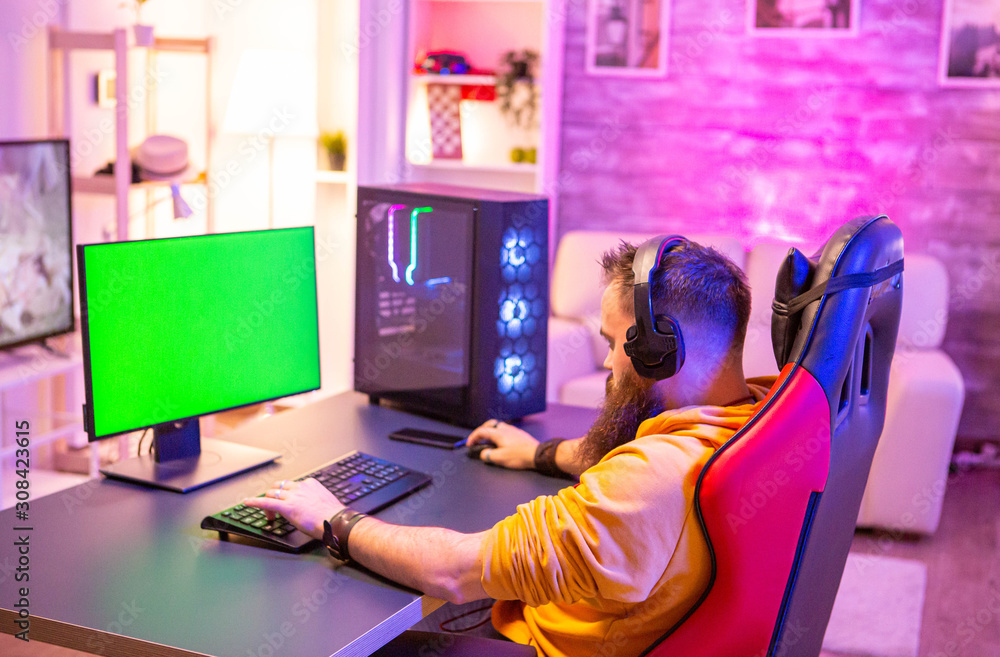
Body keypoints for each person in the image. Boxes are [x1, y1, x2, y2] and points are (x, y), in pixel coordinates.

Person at [245, 238, 771, 657]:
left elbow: (454, 572)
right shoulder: (755, 416)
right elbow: (641, 474)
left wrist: (334, 519)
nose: (610, 363)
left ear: (662, 350)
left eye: (616, 343)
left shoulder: (649, 482)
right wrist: (541, 453)